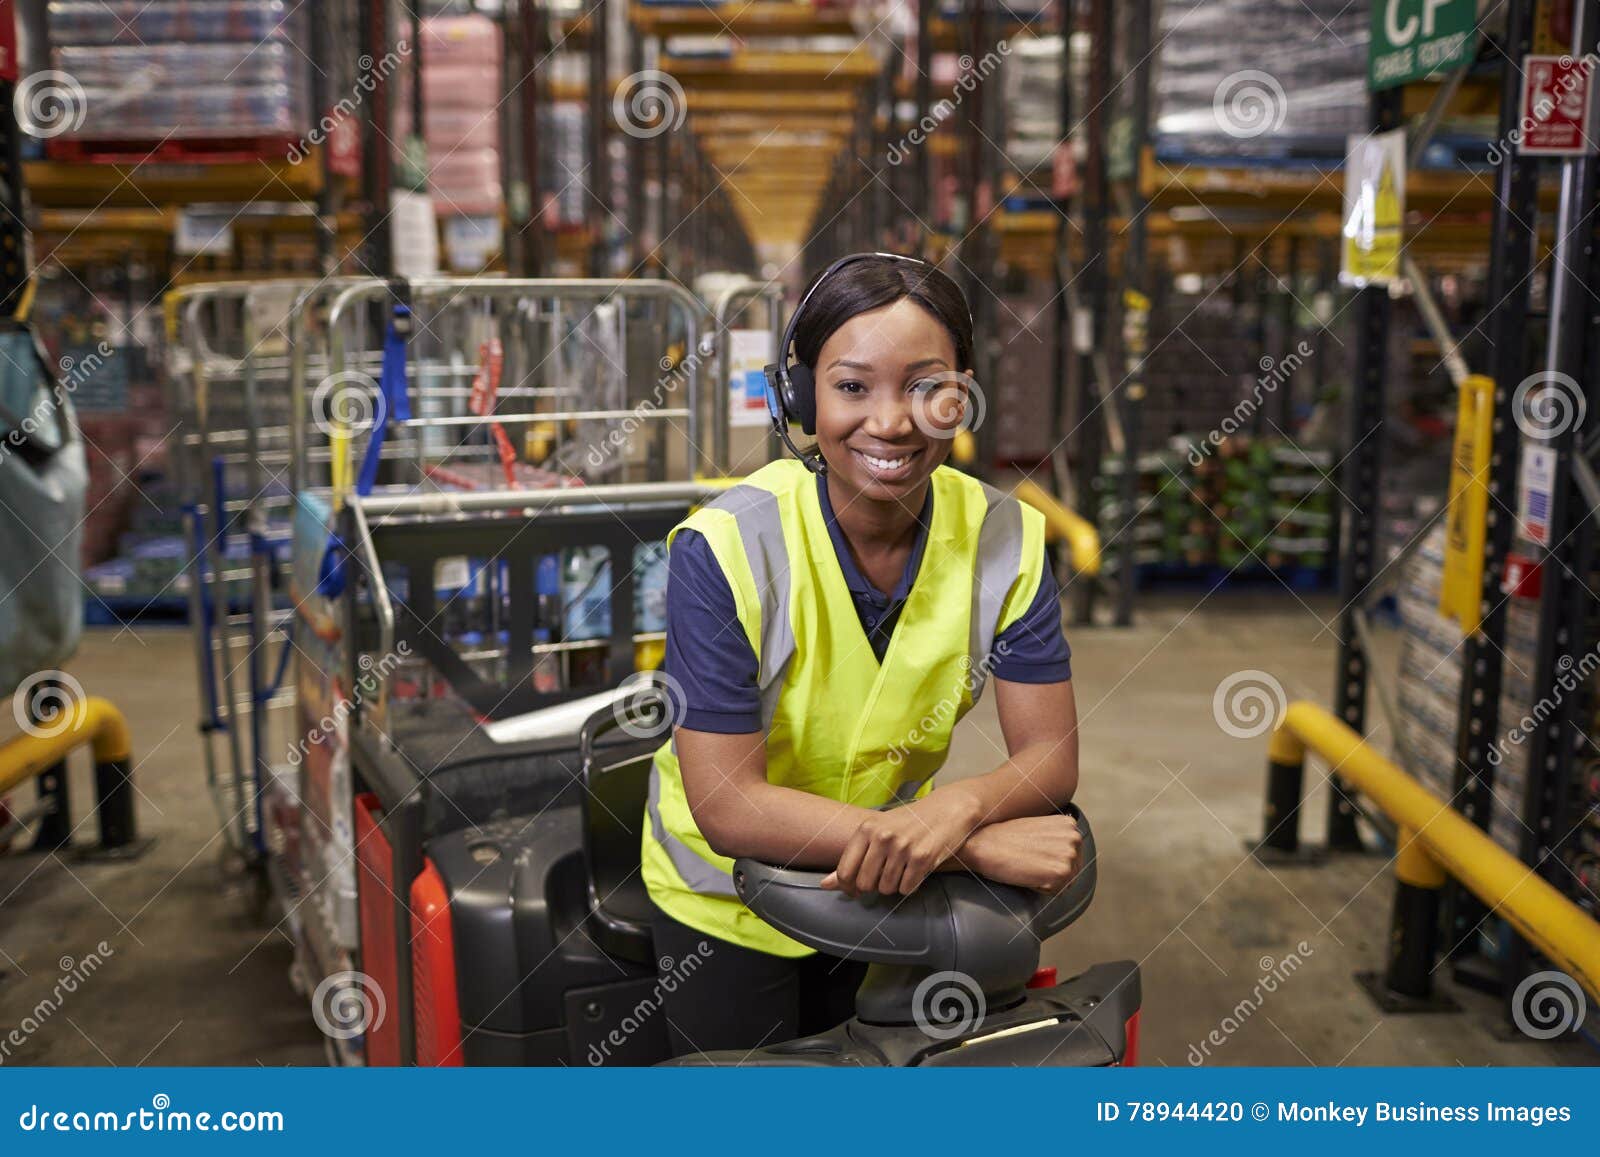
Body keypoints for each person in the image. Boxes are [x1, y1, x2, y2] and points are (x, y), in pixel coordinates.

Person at [642, 253, 1083, 1057]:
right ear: (802, 396)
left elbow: (1050, 754)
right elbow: (728, 804)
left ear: (963, 392)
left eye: (926, 386)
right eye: (852, 386)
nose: (892, 421)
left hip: (882, 890)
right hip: (724, 909)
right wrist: (964, 837)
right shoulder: (728, 546)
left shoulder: (1006, 538)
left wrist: (954, 806)